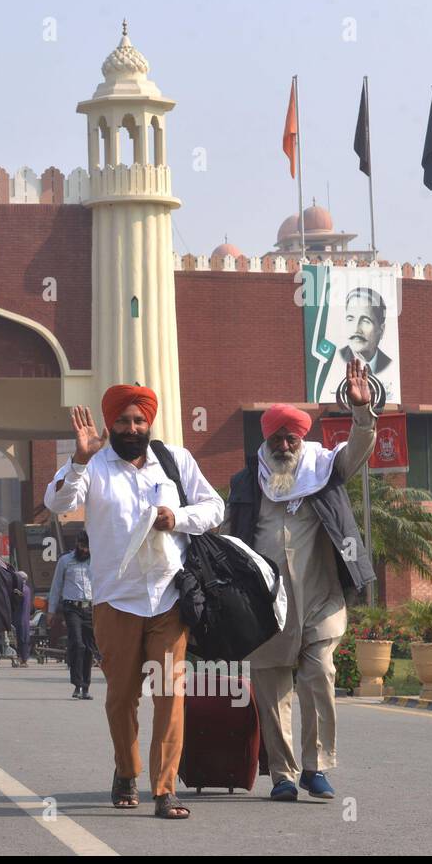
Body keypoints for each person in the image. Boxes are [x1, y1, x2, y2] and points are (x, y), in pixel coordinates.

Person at [44, 385, 223, 821]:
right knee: (122, 697)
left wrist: (177, 517)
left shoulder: (174, 461)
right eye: (122, 421)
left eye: (138, 420)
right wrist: (80, 458)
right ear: (110, 424)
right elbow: (57, 501)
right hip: (115, 600)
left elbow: (215, 507)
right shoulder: (94, 466)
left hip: (168, 597)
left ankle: (164, 789)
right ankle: (126, 771)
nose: (131, 428)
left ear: (149, 423)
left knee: (168, 693)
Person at [226, 360, 377, 802]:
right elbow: (231, 532)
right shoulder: (246, 481)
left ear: (302, 438)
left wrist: (361, 411)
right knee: (272, 690)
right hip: (268, 605)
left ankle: (316, 767)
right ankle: (284, 776)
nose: (285, 444)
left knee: (320, 674)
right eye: (277, 438)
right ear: (266, 441)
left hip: (320, 597)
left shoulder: (325, 468)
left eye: (292, 437)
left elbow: (359, 448)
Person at [48, 531, 95, 699]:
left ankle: (86, 687)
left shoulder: (95, 562)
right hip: (71, 608)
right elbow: (56, 586)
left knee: (89, 648)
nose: (85, 550)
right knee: (77, 643)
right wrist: (51, 611)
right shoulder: (65, 561)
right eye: (83, 546)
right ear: (77, 544)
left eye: (88, 547)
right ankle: (77, 683)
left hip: (90, 609)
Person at [337, 287, 393, 374]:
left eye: (365, 321)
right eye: (350, 319)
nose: (356, 329)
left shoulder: (389, 365)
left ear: (381, 330)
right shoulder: (335, 360)